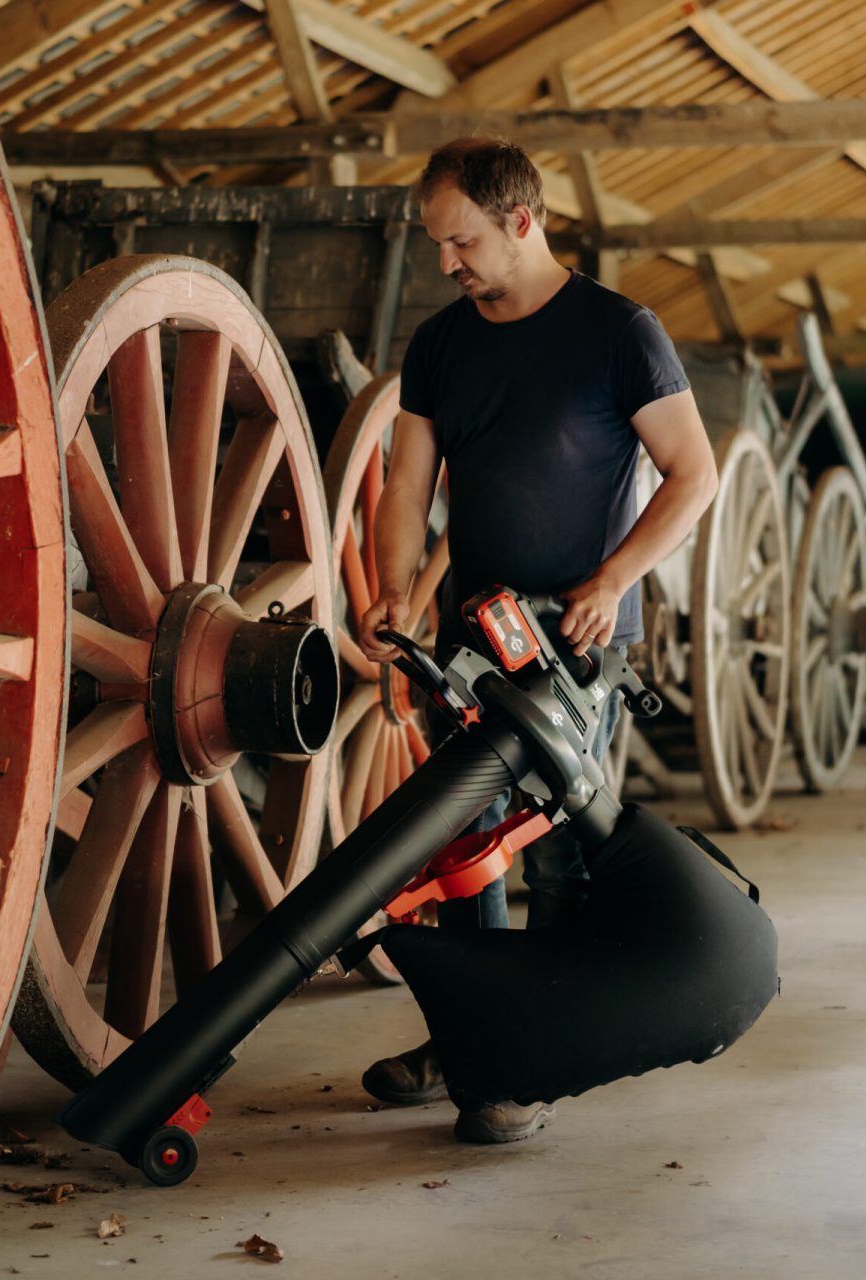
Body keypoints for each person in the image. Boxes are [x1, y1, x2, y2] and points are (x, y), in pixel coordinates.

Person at [355, 137, 719, 1143]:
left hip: (576, 648)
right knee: (467, 846)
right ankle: (470, 1037)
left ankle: (534, 1056)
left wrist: (614, 578)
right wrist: (393, 588)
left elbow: (695, 475)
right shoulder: (441, 344)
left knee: (556, 854)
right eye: (437, 244)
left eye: (461, 241)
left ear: (522, 221)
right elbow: (407, 483)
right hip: (471, 644)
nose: (446, 263)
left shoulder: (620, 333)